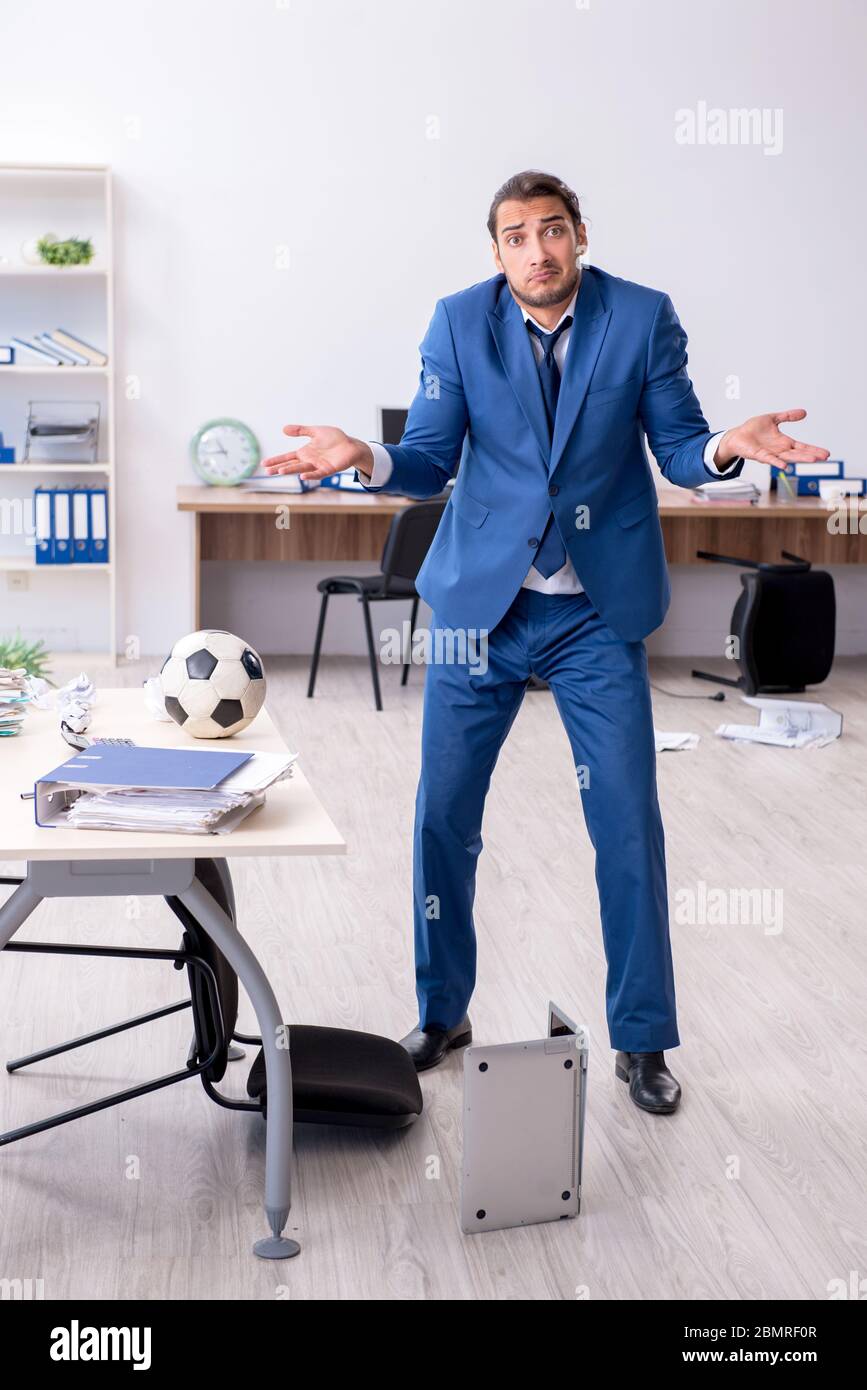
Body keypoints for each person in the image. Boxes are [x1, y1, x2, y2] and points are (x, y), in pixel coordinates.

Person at [263, 169, 829, 1114]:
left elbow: (682, 450)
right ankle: (442, 1012)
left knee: (625, 822)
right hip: (477, 612)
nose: (537, 250)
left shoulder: (641, 319)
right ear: (496, 252)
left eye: (553, 230)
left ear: (579, 236)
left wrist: (729, 446)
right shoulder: (457, 322)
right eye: (517, 236)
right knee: (444, 816)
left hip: (591, 615)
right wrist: (365, 458)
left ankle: (642, 1041)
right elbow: (432, 455)